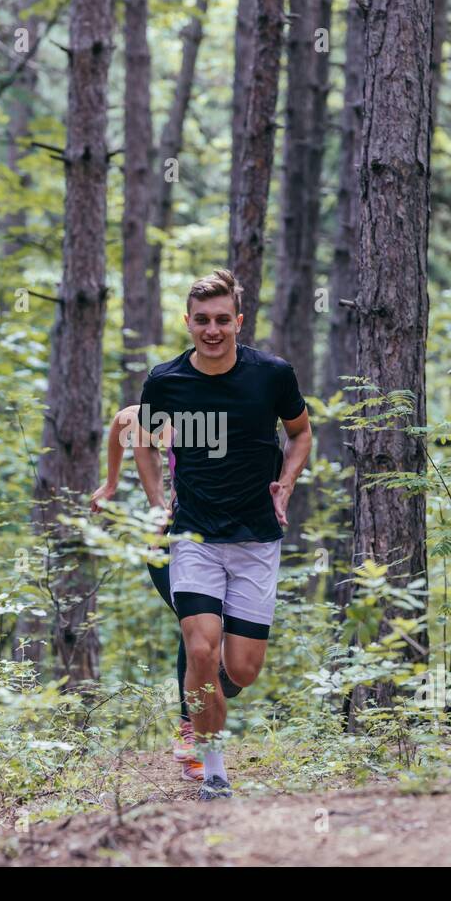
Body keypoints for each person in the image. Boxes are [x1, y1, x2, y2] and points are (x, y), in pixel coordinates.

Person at [135, 269, 311, 800]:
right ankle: (213, 773)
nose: (212, 330)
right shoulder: (165, 381)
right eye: (201, 321)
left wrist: (287, 483)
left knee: (242, 669)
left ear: (238, 321)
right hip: (194, 537)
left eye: (221, 320)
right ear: (187, 323)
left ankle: (202, 702)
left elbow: (300, 433)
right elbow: (142, 442)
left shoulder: (272, 374)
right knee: (201, 649)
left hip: (256, 539)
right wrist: (157, 506)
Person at [90, 407, 204, 782]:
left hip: (225, 540)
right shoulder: (164, 415)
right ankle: (191, 735)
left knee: (219, 640)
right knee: (195, 627)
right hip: (170, 542)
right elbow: (122, 421)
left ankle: (199, 727)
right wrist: (109, 484)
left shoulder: (227, 415)